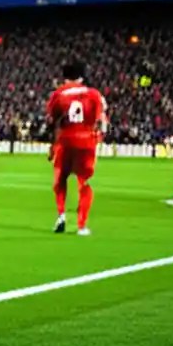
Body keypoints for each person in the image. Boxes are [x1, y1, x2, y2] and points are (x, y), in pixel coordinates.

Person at [45, 62, 107, 236]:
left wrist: (52, 146)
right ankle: (81, 225)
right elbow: (101, 121)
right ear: (82, 77)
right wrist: (98, 139)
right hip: (87, 141)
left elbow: (52, 122)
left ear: (64, 77)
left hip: (65, 140)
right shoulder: (94, 94)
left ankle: (61, 215)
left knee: (60, 180)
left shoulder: (58, 94)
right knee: (84, 182)